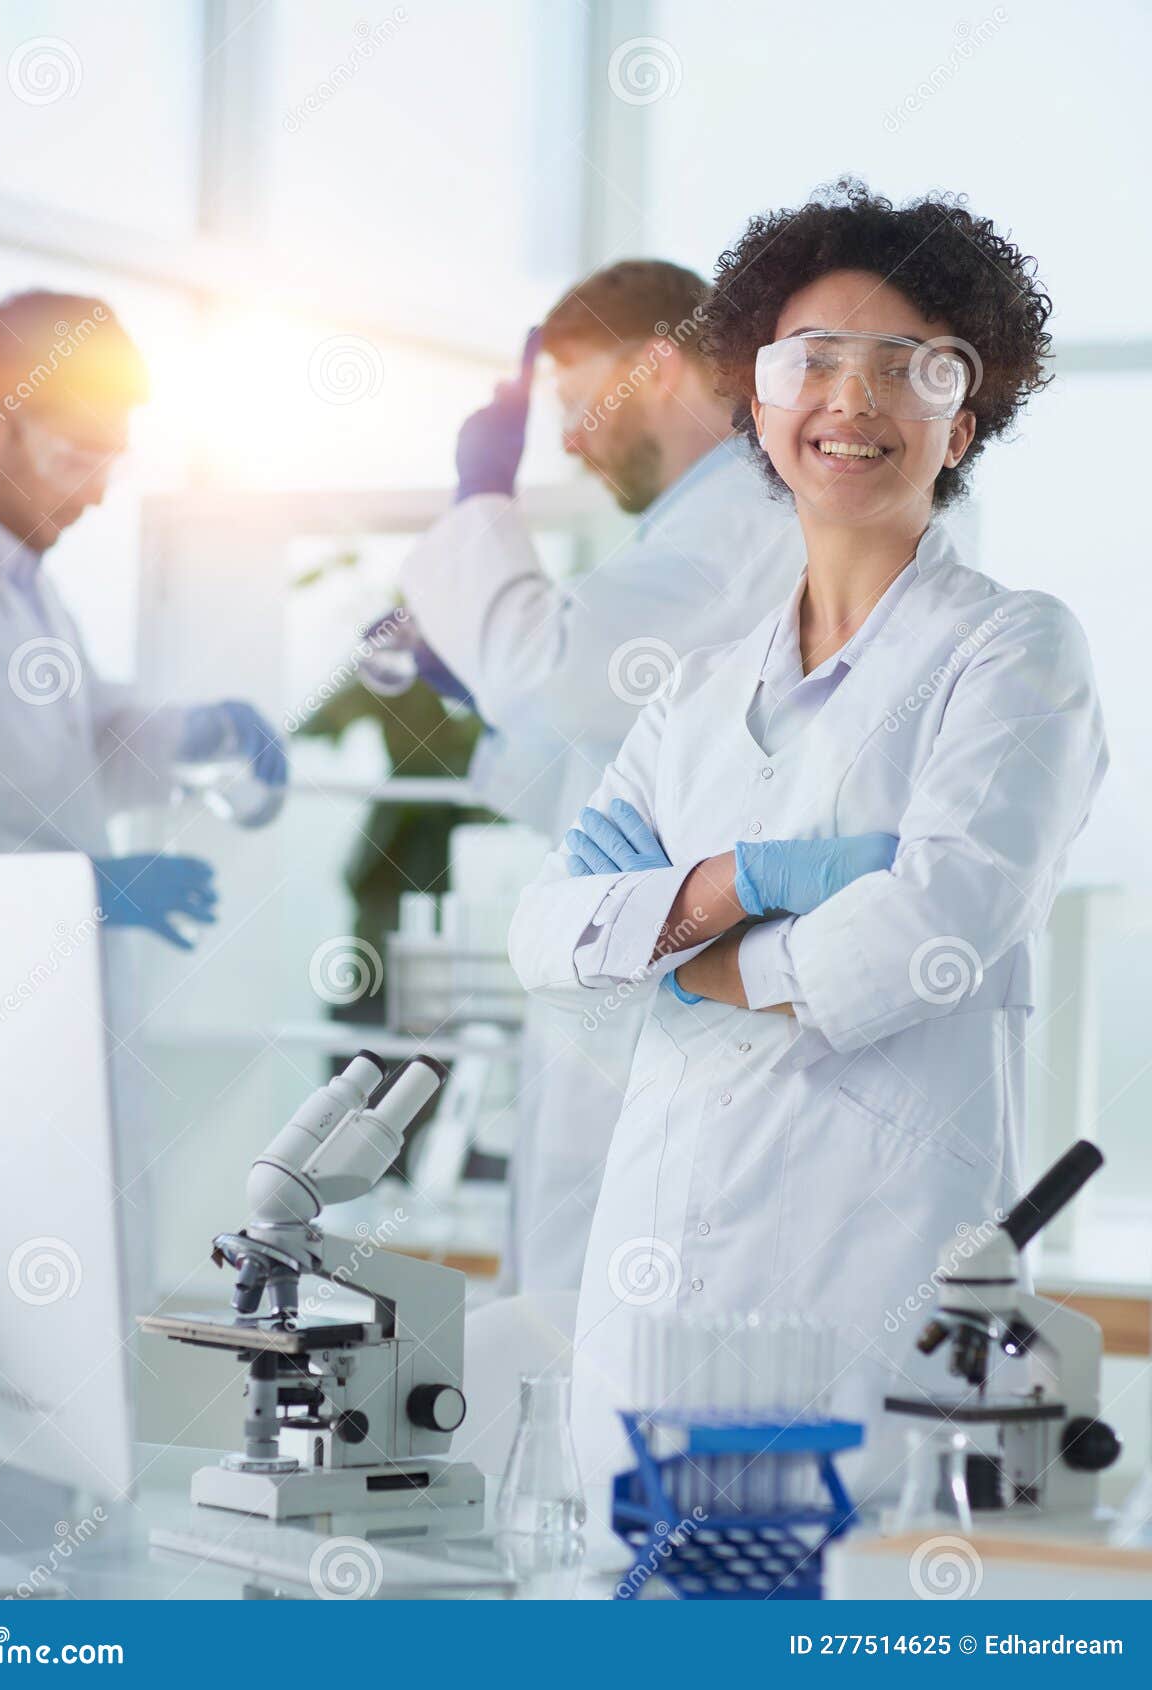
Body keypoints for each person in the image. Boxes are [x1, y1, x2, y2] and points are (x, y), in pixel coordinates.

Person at [508, 182, 1107, 1495]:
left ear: (968, 414)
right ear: (756, 402)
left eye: (911, 367)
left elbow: (931, 929)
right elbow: (545, 934)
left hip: (869, 1296)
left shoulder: (1016, 651)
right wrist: (743, 886)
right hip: (657, 1298)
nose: (853, 399)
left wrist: (678, 947)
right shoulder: (694, 693)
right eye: (812, 362)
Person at [0, 290, 286, 1444]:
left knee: (47, 1413)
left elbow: (68, 738)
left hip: (35, 1064)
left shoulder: (19, 582)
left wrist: (195, 730)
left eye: (111, 461)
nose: (96, 491)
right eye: (77, 455)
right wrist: (79, 888)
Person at [398, 260, 804, 1294]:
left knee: (614, 1322)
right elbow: (593, 765)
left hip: (676, 990)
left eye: (577, 405)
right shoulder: (693, 533)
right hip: (641, 974)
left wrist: (481, 497)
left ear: (657, 367)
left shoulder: (733, 527)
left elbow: (559, 681)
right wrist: (469, 700)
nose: (572, 442)